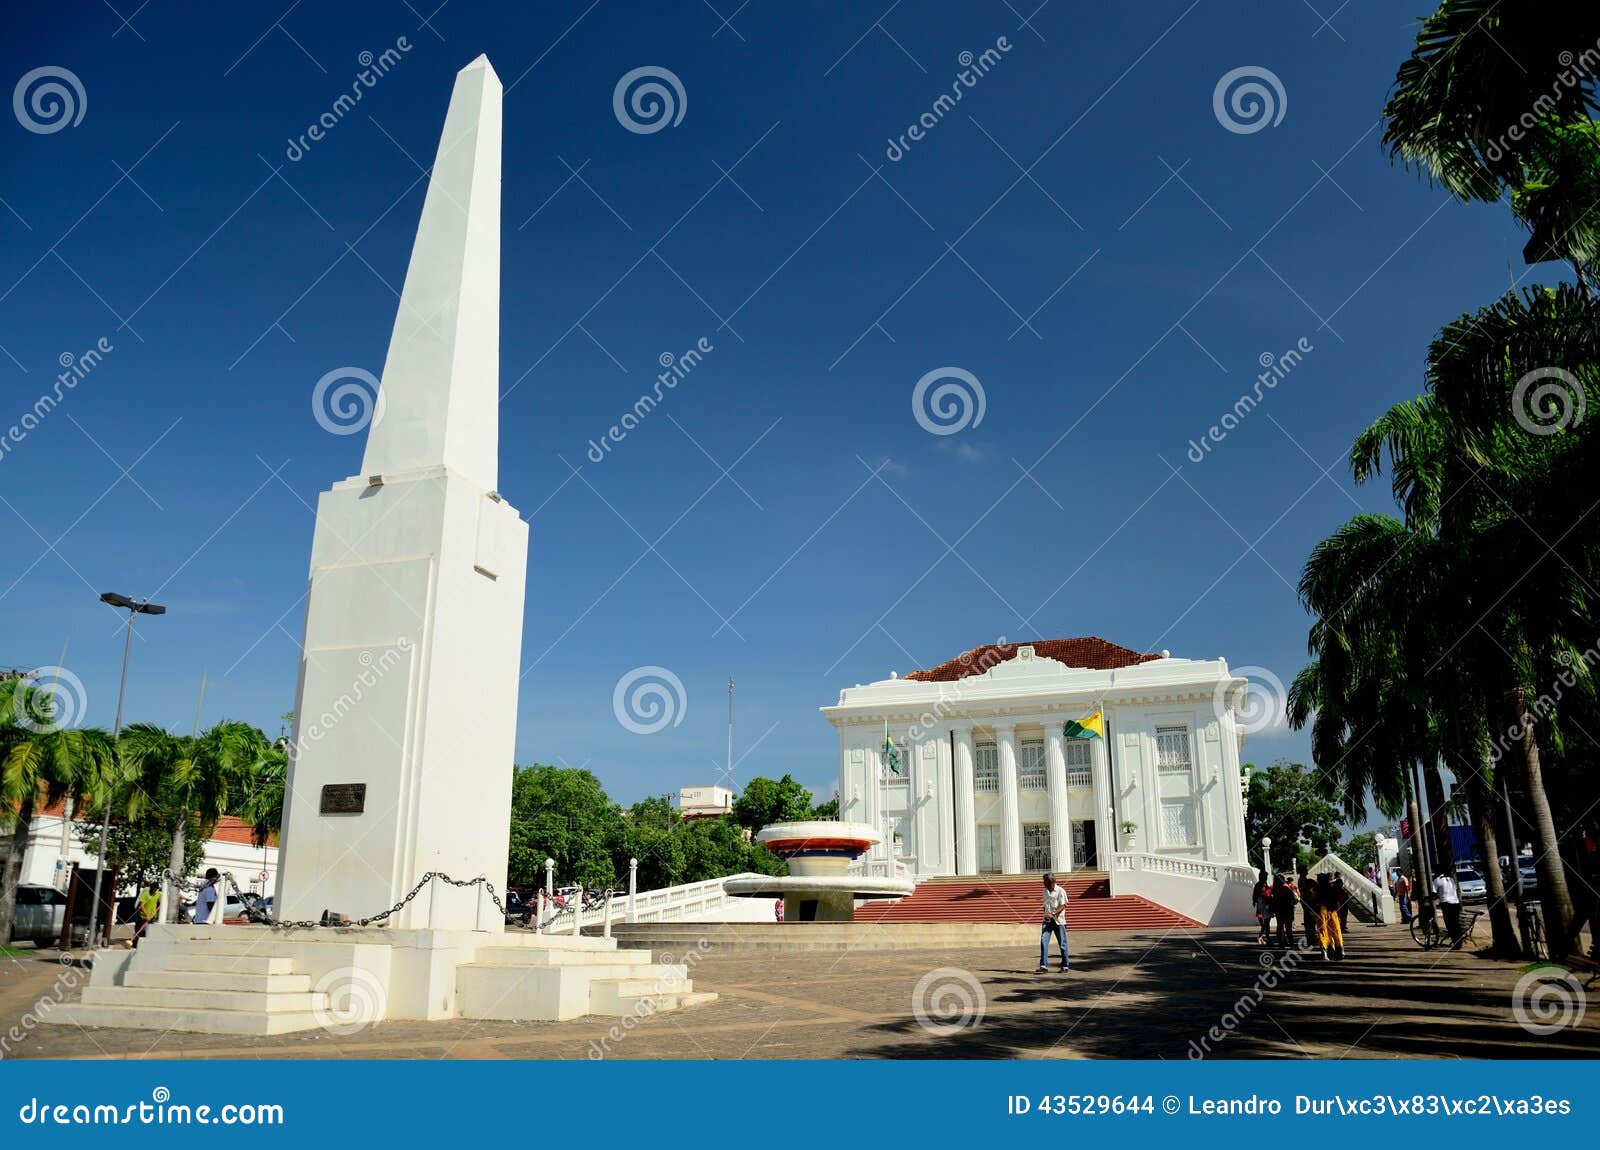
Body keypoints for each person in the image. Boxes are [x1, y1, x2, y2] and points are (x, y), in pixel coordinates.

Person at [1038, 873, 1069, 973]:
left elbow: (1063, 905)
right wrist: (1045, 914)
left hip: (1059, 921)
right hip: (1047, 921)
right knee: (1043, 942)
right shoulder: (1045, 892)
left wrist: (1053, 913)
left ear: (1051, 881)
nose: (1043, 883)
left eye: (1045, 881)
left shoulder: (1060, 891)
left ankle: (1065, 966)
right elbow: (1045, 905)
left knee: (1062, 944)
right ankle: (1044, 966)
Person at [1315, 873, 1344, 960]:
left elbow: (1315, 901)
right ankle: (1340, 950)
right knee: (1336, 930)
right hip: (1332, 911)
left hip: (1322, 911)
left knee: (1323, 931)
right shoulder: (1332, 888)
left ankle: (1325, 952)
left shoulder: (1317, 889)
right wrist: (1338, 913)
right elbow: (1337, 901)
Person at [1433, 869, 1461, 944]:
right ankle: (1458, 941)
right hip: (1455, 903)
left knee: (1449, 923)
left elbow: (1434, 893)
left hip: (1446, 904)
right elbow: (1455, 889)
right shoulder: (1451, 879)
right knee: (1456, 923)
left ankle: (1455, 941)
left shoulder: (1437, 880)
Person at [1271, 872, 1298, 948]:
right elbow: (1293, 898)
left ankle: (1281, 943)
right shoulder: (1286, 888)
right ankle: (1291, 943)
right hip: (1287, 909)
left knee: (1280, 926)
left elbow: (1272, 899)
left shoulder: (1274, 889)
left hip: (1278, 910)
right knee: (1288, 927)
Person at [130, 882, 160, 947]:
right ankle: (135, 944)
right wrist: (147, 915)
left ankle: (145, 945)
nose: (154, 891)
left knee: (148, 931)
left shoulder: (158, 894)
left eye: (155, 890)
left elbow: (161, 903)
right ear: (150, 888)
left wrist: (155, 912)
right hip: (142, 916)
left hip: (152, 916)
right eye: (153, 889)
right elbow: (141, 905)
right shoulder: (146, 894)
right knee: (139, 930)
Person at [1251, 870, 1272, 946]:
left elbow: (1254, 896)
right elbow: (1262, 894)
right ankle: (1262, 937)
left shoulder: (1263, 884)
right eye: (1265, 876)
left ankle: (1264, 937)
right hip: (1262, 907)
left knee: (1265, 924)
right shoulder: (1261, 885)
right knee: (1265, 924)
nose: (1266, 878)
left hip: (1262, 907)